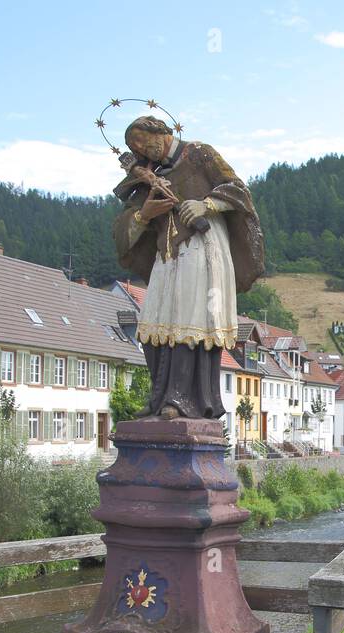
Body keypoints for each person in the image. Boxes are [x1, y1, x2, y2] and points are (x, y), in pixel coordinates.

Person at [112, 116, 264, 419]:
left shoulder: (199, 153)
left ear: (161, 130)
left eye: (143, 140)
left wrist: (207, 204)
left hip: (201, 247)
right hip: (166, 254)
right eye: (134, 146)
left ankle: (181, 401)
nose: (142, 148)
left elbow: (239, 190)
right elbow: (125, 226)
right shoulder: (148, 175)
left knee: (190, 319)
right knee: (154, 319)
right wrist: (144, 215)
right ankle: (159, 398)